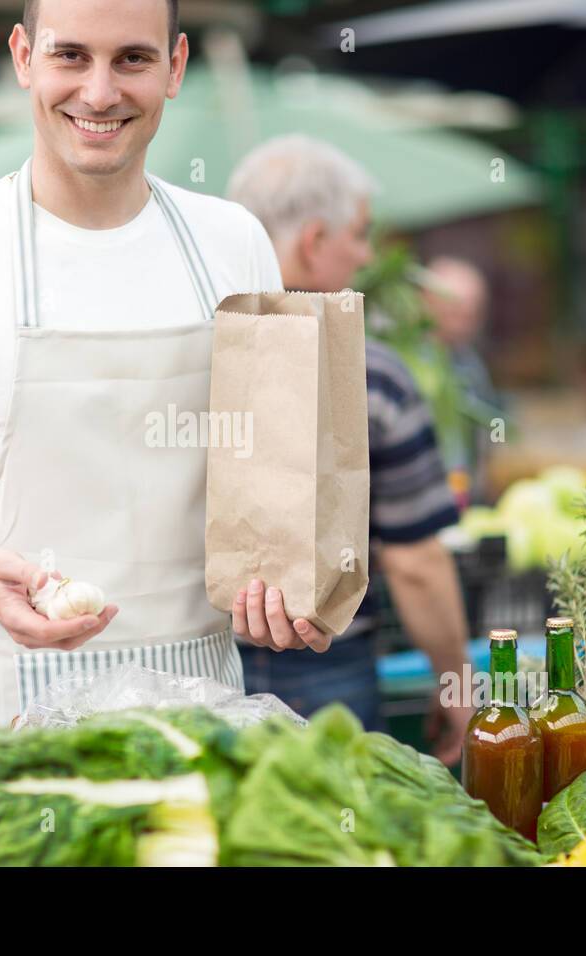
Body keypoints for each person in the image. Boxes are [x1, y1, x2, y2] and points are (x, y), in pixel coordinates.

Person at [0, 0, 333, 749]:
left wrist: (295, 581)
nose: (99, 93)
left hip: (206, 731)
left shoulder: (236, 245)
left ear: (177, 67)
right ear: (24, 57)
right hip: (10, 736)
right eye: (71, 57)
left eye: (132, 58)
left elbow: (280, 475)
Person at [226, 134, 473, 763]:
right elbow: (415, 562)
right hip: (324, 670)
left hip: (195, 668)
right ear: (313, 243)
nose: (366, 253)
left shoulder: (185, 355)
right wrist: (457, 680)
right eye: (359, 234)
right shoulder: (372, 373)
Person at [420, 256, 501, 508]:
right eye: (454, 311)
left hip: (464, 497)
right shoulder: (410, 362)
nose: (463, 323)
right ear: (426, 303)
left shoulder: (470, 363)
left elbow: (491, 424)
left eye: (472, 314)